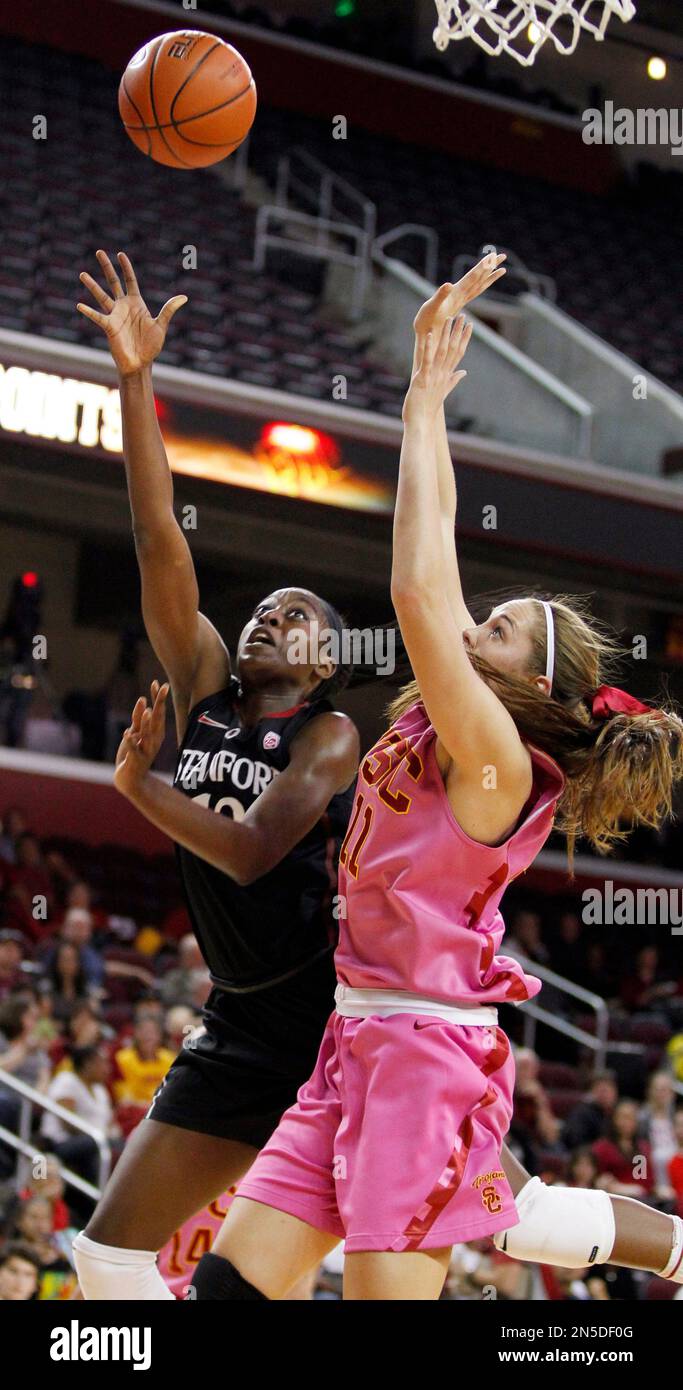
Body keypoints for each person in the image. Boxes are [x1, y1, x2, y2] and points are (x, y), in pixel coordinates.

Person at [176, 267, 683, 1299]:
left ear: (524, 681)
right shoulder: (455, 715)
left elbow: (413, 585)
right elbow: (437, 558)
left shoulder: (493, 756)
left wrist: (413, 404)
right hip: (352, 1035)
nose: (470, 621)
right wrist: (430, 394)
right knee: (227, 1290)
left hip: (419, 1061)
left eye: (492, 630)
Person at [71, 250, 360, 1300]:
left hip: (337, 1015)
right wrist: (135, 378)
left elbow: (244, 854)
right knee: (105, 1255)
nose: (265, 616)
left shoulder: (329, 735)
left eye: (295, 614)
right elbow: (157, 540)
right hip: (241, 1019)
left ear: (325, 662)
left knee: (494, 1210)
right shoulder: (202, 684)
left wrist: (142, 788)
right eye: (261, 607)